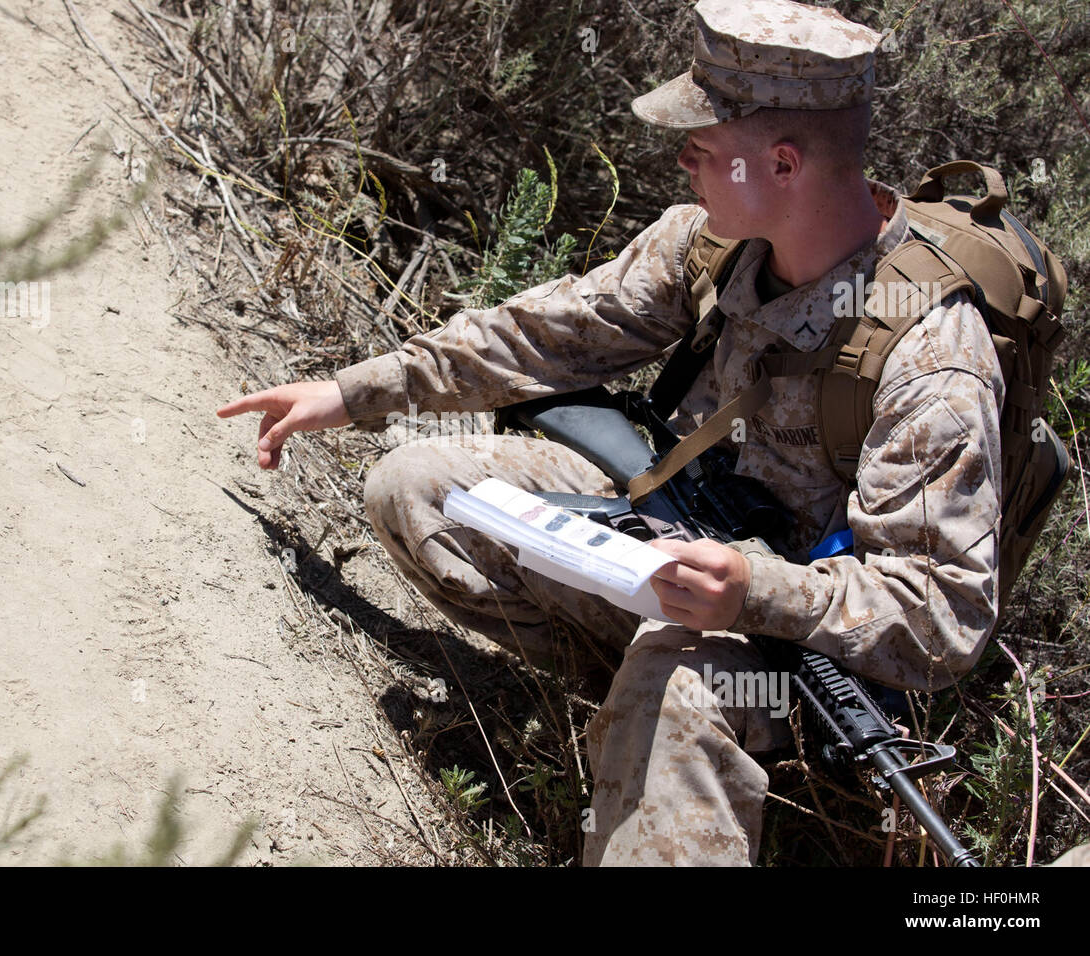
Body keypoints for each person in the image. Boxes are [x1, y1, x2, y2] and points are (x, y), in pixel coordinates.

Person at [216, 0, 1005, 866]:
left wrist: (755, 590)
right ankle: (624, 711)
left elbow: (942, 617)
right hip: (672, 541)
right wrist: (351, 390)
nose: (682, 157)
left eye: (704, 140)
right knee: (418, 489)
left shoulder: (930, 357)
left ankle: (679, 748)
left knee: (676, 692)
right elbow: (545, 334)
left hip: (801, 644)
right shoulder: (711, 244)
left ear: (782, 163)